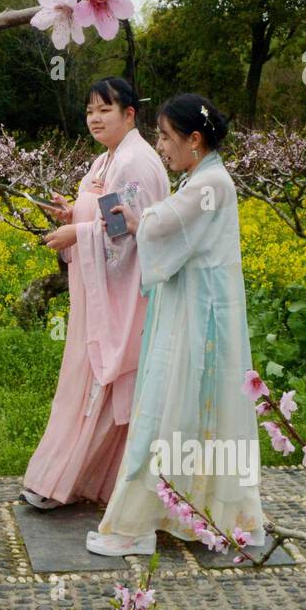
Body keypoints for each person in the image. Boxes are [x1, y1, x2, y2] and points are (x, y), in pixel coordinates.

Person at [87, 93, 266, 557]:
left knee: (171, 406)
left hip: (197, 316)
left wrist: (138, 219)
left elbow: (166, 225)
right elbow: (165, 223)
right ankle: (180, 513)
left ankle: (137, 525)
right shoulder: (204, 180)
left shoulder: (212, 185)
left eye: (166, 137)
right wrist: (141, 219)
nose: (161, 147)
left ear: (195, 139)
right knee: (185, 409)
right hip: (195, 309)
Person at [21, 77, 169, 509]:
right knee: (89, 377)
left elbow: (127, 233)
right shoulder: (108, 160)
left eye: (105, 109)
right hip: (102, 291)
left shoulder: (134, 162)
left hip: (124, 294)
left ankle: (69, 480)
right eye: (89, 110)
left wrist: (76, 233)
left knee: (104, 379)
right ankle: (78, 478)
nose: (95, 118)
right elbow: (106, 217)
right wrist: (73, 212)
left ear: (129, 114)